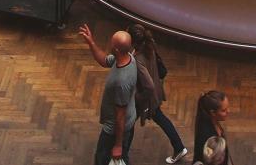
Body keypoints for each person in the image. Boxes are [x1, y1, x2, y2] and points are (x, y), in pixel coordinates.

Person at [126, 22, 187, 163]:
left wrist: (137, 98)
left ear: (133, 41)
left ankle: (122, 156)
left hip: (146, 99)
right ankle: (179, 147)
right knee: (156, 118)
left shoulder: (138, 60)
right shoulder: (149, 46)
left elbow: (148, 86)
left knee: (128, 124)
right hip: (154, 95)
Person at [79, 24, 137, 165]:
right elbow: (104, 61)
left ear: (116, 49)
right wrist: (91, 42)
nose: (110, 44)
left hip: (115, 129)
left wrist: (118, 145)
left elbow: (120, 115)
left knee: (103, 159)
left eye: (112, 43)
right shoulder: (127, 57)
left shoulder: (121, 81)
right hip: (124, 123)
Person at [193, 90, 231, 165]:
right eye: (224, 110)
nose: (228, 111)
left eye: (228, 108)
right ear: (213, 112)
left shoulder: (212, 120)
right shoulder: (206, 136)